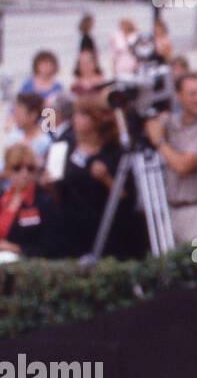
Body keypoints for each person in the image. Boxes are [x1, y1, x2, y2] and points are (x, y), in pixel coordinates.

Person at [45, 96, 141, 260]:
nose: (76, 120)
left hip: (107, 228)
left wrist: (106, 179)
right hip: (72, 228)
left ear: (97, 119)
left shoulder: (114, 152)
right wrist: (49, 185)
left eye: (83, 115)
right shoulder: (63, 146)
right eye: (76, 115)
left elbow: (126, 197)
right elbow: (56, 196)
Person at [144, 73, 197, 246]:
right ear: (178, 96)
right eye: (192, 93)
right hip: (172, 210)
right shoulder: (171, 123)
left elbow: (184, 166)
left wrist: (159, 142)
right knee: (178, 267)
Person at [0, 143, 56, 258]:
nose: (24, 174)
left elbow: (49, 247)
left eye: (30, 168)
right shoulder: (3, 197)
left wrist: (13, 248)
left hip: (24, 263)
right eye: (17, 168)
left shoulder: (43, 201)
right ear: (7, 171)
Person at [6, 93, 53, 165]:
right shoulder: (13, 137)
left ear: (33, 115)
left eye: (19, 113)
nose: (16, 117)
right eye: (15, 113)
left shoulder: (45, 142)